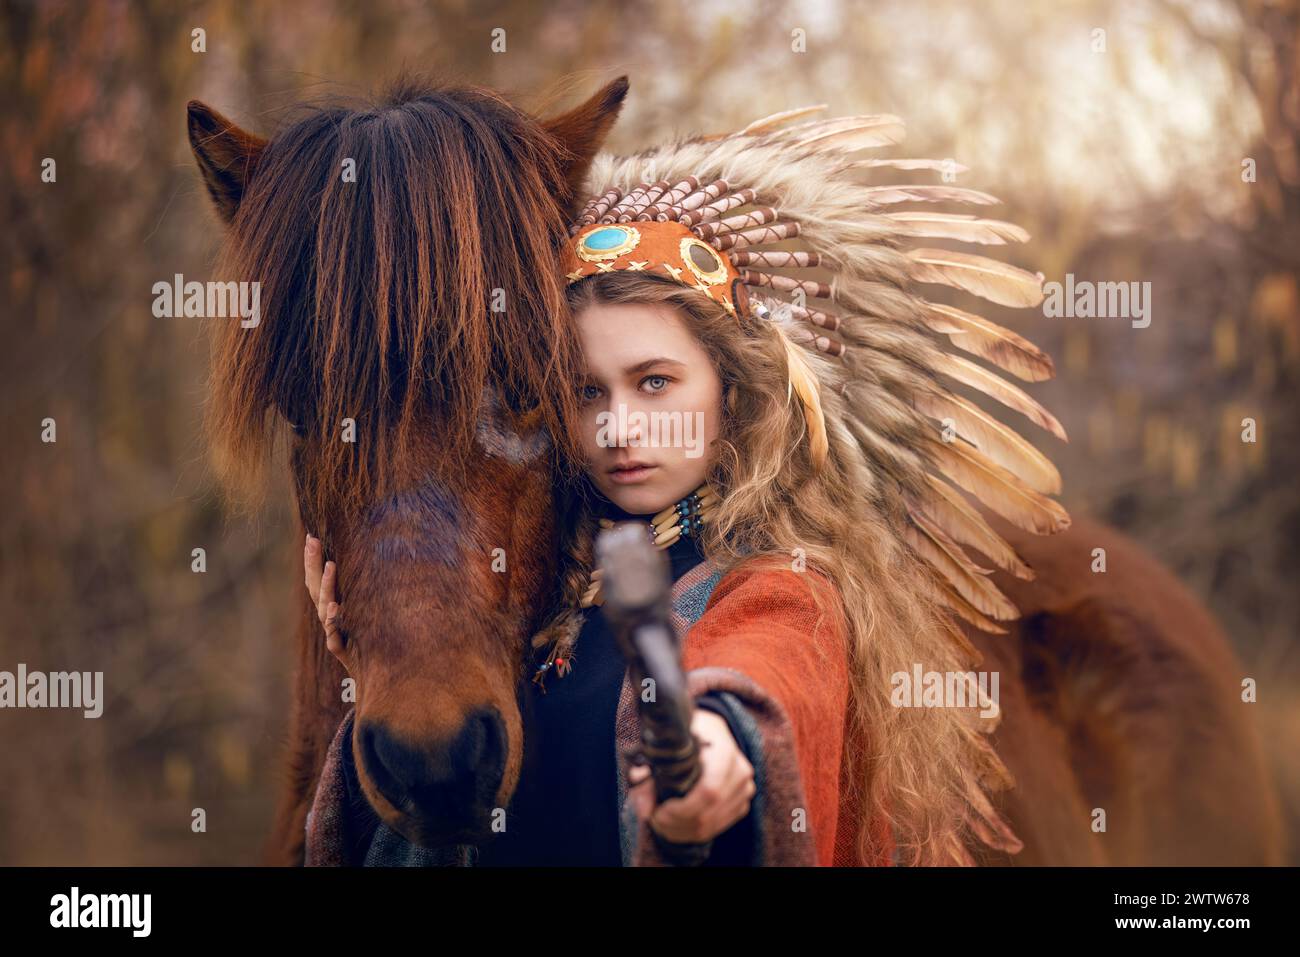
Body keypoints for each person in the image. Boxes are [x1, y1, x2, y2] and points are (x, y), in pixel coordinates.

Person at [304, 104, 1067, 866]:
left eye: (656, 382)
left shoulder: (781, 586)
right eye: (587, 391)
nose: (619, 427)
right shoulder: (549, 595)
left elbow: (770, 677)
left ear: (731, 391)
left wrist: (714, 746)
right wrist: (371, 654)